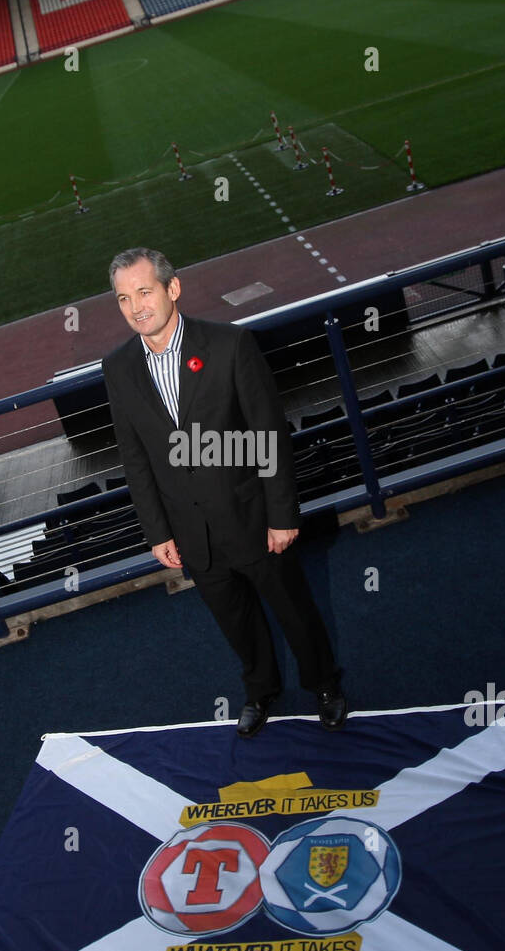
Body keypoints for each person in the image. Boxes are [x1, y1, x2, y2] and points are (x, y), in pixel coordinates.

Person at [101, 247, 347, 737]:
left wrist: (282, 514)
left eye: (144, 292)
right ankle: (261, 692)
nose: (136, 307)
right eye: (124, 298)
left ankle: (324, 686)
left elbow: (268, 434)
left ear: (173, 289)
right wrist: (157, 531)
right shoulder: (117, 368)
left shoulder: (230, 345)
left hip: (253, 519)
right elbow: (135, 457)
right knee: (236, 623)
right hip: (191, 533)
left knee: (295, 612)